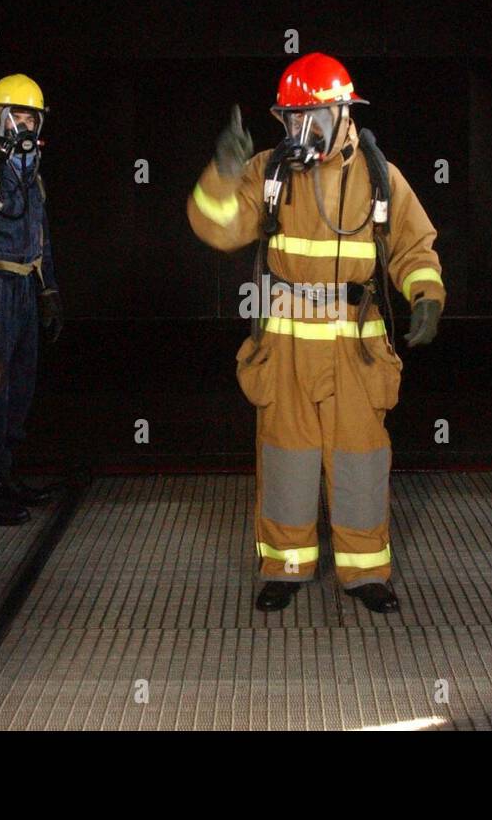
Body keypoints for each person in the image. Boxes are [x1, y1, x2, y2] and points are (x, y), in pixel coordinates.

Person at [187, 52, 443, 614]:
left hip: (358, 347)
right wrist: (223, 172)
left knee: (360, 458)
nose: (299, 132)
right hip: (287, 348)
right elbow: (217, 226)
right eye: (290, 120)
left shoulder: (380, 177)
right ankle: (286, 565)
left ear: (342, 113)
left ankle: (364, 572)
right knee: (286, 457)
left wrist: (426, 293)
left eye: (311, 118)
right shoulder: (267, 171)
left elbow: (413, 246)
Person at [0, 74, 60, 519]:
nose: (23, 127)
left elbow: (42, 236)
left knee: (19, 388)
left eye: (30, 118)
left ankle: (5, 474)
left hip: (25, 284)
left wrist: (50, 290)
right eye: (15, 117)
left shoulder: (32, 179)